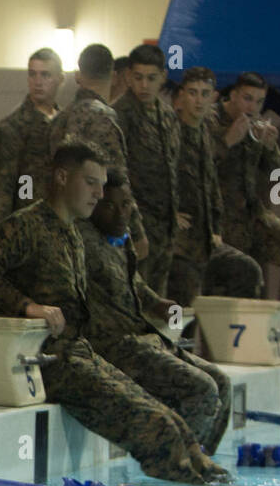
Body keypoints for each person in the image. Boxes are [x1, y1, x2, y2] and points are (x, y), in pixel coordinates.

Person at [0, 140, 229, 486]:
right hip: (49, 361)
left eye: (102, 185)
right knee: (158, 429)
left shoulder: (72, 232)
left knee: (176, 425)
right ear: (61, 177)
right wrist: (26, 305)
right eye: (91, 183)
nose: (100, 194)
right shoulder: (28, 224)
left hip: (80, 353)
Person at [81, 172, 232, 455]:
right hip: (110, 347)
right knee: (202, 389)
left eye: (126, 205)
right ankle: (175, 466)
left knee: (222, 383)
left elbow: (132, 282)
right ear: (94, 204)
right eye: (110, 206)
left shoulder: (119, 240)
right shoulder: (80, 241)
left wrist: (158, 303)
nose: (120, 213)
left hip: (140, 340)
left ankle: (199, 459)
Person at [209, 72, 280, 352]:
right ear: (231, 96)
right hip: (219, 218)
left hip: (253, 214)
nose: (252, 107)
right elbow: (194, 167)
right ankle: (231, 348)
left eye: (258, 102)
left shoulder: (257, 124)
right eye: (247, 99)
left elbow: (275, 171)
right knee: (244, 279)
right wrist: (228, 141)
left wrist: (269, 148)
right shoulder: (209, 121)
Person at [169, 66, 263, 306]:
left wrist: (216, 228)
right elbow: (151, 176)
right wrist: (169, 213)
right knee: (182, 302)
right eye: (192, 93)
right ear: (182, 95)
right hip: (178, 239)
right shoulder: (170, 131)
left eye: (204, 93)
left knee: (247, 270)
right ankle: (176, 342)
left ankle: (226, 339)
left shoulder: (205, 132)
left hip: (206, 235)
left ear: (213, 96)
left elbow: (211, 185)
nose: (198, 100)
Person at [47, 44, 147, 260]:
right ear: (113, 75)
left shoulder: (59, 118)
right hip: (95, 232)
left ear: (78, 75)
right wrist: (137, 232)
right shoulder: (103, 118)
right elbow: (118, 181)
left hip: (60, 228)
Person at [114, 44, 180, 295]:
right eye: (138, 78)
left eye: (151, 78)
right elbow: (119, 177)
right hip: (137, 225)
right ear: (129, 76)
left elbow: (172, 170)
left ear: (163, 77)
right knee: (137, 298)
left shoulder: (167, 115)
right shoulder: (120, 115)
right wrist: (135, 230)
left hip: (165, 227)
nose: (144, 85)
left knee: (160, 300)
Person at [0, 47, 63, 235]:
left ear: (60, 80)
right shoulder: (14, 126)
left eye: (45, 75)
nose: (38, 82)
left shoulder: (65, 122)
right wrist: (0, 237)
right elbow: (2, 187)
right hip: (28, 225)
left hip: (62, 223)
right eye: (32, 74)